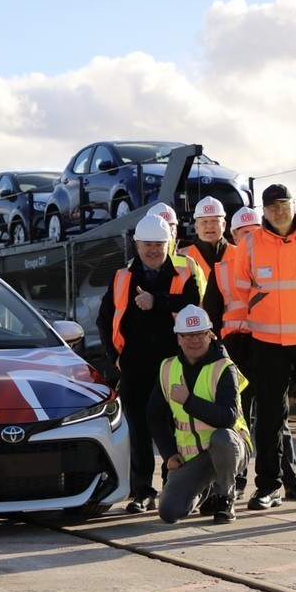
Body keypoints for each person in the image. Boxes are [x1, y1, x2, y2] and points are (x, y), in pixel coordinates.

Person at [230, 183, 296, 511]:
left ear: (294, 205)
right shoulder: (250, 243)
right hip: (267, 340)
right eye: (272, 205)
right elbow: (240, 287)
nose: (278, 210)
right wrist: (259, 309)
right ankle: (268, 487)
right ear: (263, 211)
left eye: (283, 203)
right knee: (269, 418)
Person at [97, 214, 201, 514]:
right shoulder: (122, 277)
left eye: (158, 244)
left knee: (176, 428)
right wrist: (113, 356)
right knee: (139, 432)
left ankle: (174, 485)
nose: (153, 250)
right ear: (136, 245)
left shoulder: (184, 273)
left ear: (169, 244)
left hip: (175, 366)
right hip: (135, 367)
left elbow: (193, 307)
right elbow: (104, 320)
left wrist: (158, 301)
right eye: (147, 245)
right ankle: (142, 490)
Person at [222, 206, 296, 501]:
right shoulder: (225, 266)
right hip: (245, 349)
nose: (248, 236)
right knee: (251, 420)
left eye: (252, 231)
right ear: (234, 235)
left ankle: (293, 480)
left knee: (284, 418)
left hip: (283, 340)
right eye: (241, 232)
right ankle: (246, 481)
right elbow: (215, 309)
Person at [148, 305, 251, 524]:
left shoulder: (224, 367)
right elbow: (154, 416)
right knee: (169, 512)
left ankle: (225, 497)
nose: (193, 341)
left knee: (222, 437)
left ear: (209, 335)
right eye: (187, 335)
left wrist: (188, 401)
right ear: (178, 338)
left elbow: (228, 418)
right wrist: (168, 454)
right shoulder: (168, 368)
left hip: (230, 448)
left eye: (199, 334)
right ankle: (209, 491)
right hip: (194, 457)